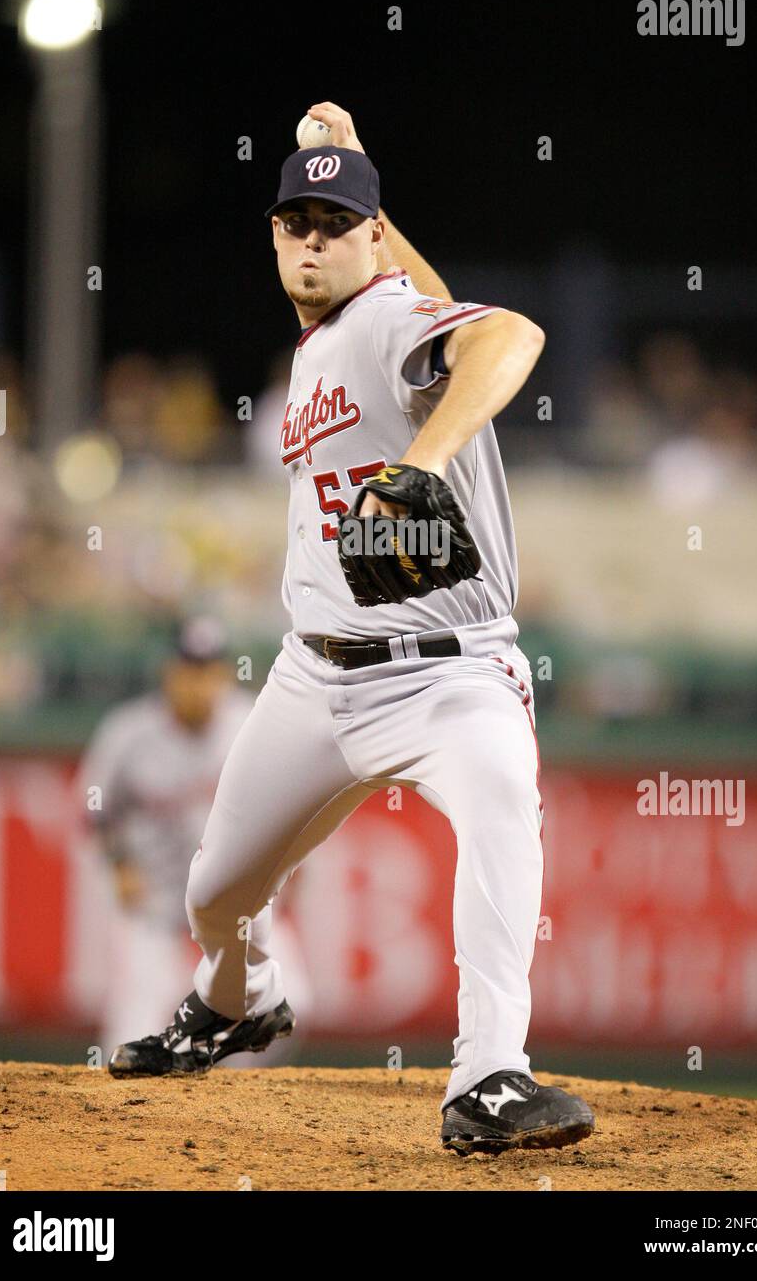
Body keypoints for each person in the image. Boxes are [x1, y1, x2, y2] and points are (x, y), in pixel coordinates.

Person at [109, 102, 595, 1155]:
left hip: (450, 677)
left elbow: (510, 335)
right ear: (275, 236)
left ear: (373, 239)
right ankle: (236, 1001)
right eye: (299, 221)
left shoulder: (382, 322)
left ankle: (489, 1075)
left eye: (339, 222)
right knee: (216, 894)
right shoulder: (325, 342)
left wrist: (420, 463)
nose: (315, 238)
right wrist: (359, 177)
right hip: (314, 680)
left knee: (500, 813)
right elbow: (409, 287)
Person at [80, 615, 311, 1068]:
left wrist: (290, 871)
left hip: (235, 904)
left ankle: (220, 1085)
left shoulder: (253, 724)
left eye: (208, 670)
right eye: (189, 669)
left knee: (294, 1000)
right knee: (132, 1032)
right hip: (156, 905)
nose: (199, 682)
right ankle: (132, 1109)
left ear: (223, 673)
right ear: (169, 671)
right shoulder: (128, 732)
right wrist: (120, 865)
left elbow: (295, 802)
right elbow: (95, 810)